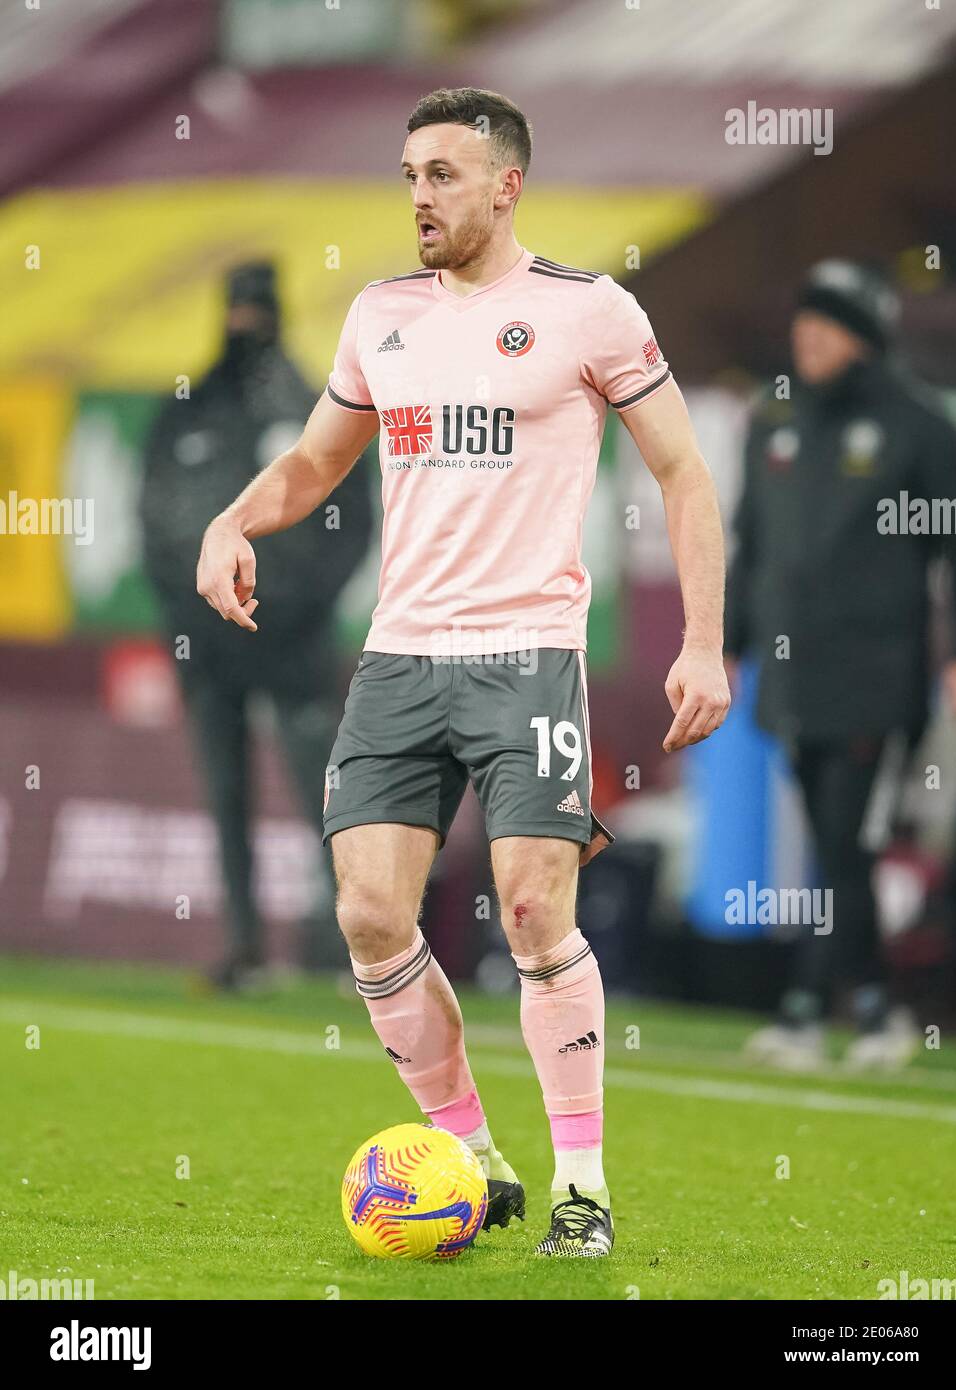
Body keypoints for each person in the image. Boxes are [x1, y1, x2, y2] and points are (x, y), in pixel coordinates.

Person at [196, 89, 730, 1257]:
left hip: (528, 657)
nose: (421, 198)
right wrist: (235, 519)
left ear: (506, 185)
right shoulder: (380, 316)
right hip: (398, 659)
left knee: (538, 912)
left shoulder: (591, 314)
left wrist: (701, 640)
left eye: (443, 174)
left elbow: (685, 473)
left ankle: (581, 1185)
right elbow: (315, 462)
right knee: (371, 916)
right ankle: (476, 1158)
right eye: (408, 176)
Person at [725, 259, 956, 1070]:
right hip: (792, 675)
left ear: (864, 336)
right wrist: (724, 643)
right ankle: (871, 1009)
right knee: (837, 846)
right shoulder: (775, 417)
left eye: (827, 324)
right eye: (803, 321)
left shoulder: (921, 427)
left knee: (841, 833)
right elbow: (748, 543)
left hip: (875, 671)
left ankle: (805, 1008)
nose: (808, 337)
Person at [141, 261, 373, 990]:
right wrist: (185, 610)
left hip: (291, 639)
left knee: (322, 790)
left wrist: (301, 605)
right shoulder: (187, 407)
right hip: (205, 644)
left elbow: (351, 521)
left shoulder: (312, 406)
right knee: (224, 792)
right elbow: (151, 519)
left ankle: (350, 945)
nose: (245, 325)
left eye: (255, 311)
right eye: (236, 310)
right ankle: (243, 946)